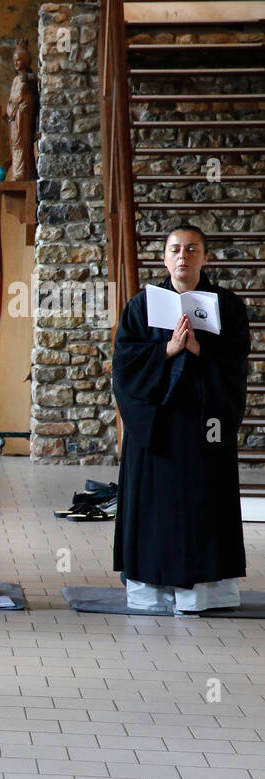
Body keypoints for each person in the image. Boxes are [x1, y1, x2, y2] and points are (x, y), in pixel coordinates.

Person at [113, 224, 249, 612]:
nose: (183, 257)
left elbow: (236, 363)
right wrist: (168, 351)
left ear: (204, 257)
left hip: (204, 425)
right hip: (156, 425)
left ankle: (201, 595)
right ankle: (151, 591)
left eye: (192, 250)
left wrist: (201, 351)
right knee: (154, 509)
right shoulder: (142, 306)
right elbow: (124, 365)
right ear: (164, 257)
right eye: (175, 250)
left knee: (203, 509)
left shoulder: (228, 305)